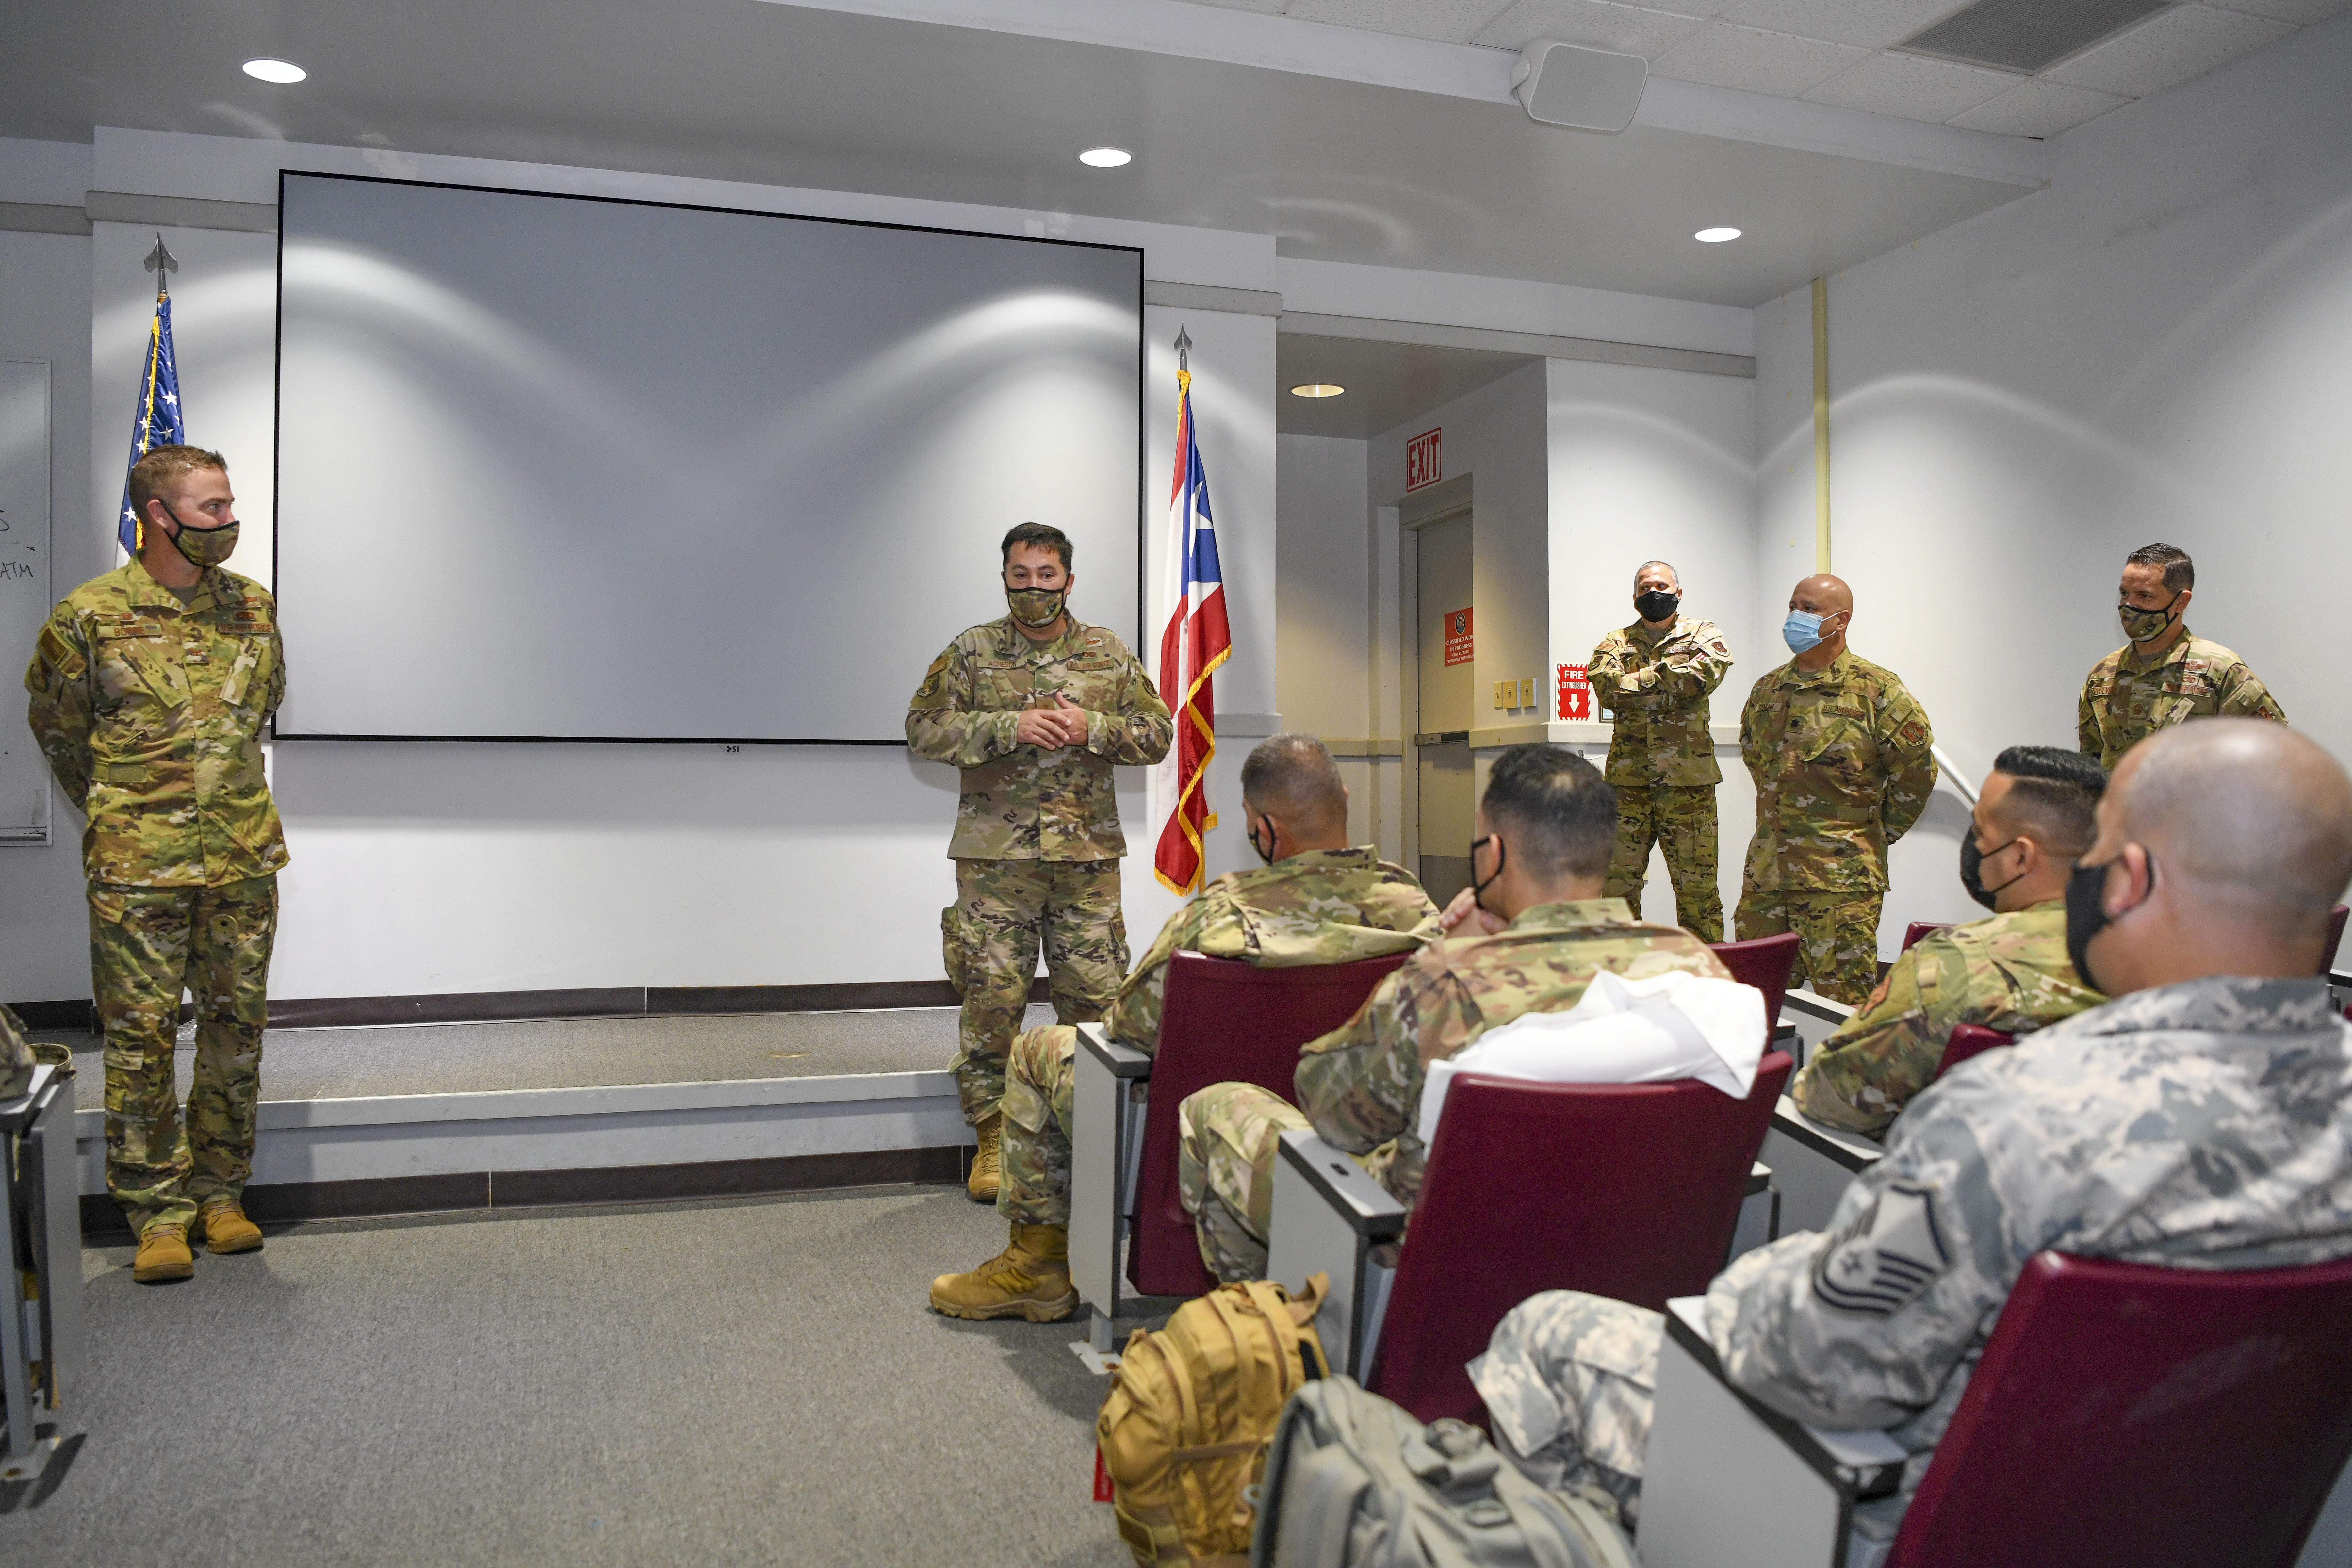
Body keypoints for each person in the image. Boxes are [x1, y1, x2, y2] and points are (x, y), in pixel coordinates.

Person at [1471, 718, 2352, 1535]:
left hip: (1894, 1512)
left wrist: (1746, 1280)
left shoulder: (2015, 1115)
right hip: (2190, 1521)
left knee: (1544, 1329)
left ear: (2124, 883)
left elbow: (1812, 1366)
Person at [927, 734, 1441, 1322]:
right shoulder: (1416, 907)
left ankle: (1037, 1267)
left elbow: (1129, 1029)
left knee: (1038, 1048)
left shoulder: (1219, 918)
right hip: (1354, 1137)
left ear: (1263, 829)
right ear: (1343, 799)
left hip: (1192, 1140)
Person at [1174, 745, 1731, 1282]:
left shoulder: (1448, 983)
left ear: (1494, 854)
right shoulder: (1697, 967)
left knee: (1220, 1106)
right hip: (1624, 1248)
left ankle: (1281, 1333)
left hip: (1419, 1255)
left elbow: (1330, 1110)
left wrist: (1439, 957)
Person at [23, 445, 287, 1284]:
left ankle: (221, 1195)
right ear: (158, 515)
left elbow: (262, 707)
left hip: (241, 856)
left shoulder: (252, 608)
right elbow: (60, 731)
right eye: (211, 508)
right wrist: (125, 811)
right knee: (139, 1041)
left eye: (229, 503)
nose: (229, 521)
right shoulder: (90, 615)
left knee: (234, 1035)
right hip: (140, 868)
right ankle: (157, 1213)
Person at [906, 523, 1174, 1203]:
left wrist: (1096, 729)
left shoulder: (1106, 652)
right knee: (994, 997)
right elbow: (923, 728)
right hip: (996, 862)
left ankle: (1088, 1129)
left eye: (1046, 577)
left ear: (1069, 581)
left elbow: (1158, 734)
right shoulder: (973, 651)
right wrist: (1008, 727)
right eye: (1020, 576)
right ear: (1005, 579)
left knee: (1094, 999)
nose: (1034, 589)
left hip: (1085, 860)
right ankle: (993, 1131)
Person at [1791, 746, 2108, 1136]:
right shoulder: (2166, 956)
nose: (1972, 846)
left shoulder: (1963, 964)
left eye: (1980, 831)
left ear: (2021, 859)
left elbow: (1834, 1098)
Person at [1736, 574, 1936, 1006]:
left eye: (1808, 608)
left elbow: (1917, 772)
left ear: (1840, 620)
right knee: (1753, 1002)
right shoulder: (1767, 691)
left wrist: (1874, 834)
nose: (1795, 617)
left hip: (1840, 883)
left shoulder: (1877, 691)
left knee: (1842, 1007)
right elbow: (1758, 763)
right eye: (1793, 605)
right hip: (1768, 878)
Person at [1588, 561, 1733, 942]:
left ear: (1678, 593)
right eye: (1645, 586)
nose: (1654, 592)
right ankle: (1621, 972)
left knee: (1698, 892)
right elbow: (1606, 690)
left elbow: (1701, 679)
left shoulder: (1704, 633)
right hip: (1628, 788)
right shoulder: (1615, 641)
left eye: (1662, 585)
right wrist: (1668, 678)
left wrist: (1635, 684)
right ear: (1635, 596)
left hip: (1689, 788)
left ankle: (1708, 978)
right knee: (1616, 889)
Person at [2079, 542, 2285, 771]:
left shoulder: (2220, 671)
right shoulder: (2103, 675)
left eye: (2145, 596)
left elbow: (2275, 751)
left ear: (2181, 602)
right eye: (2125, 594)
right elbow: (2091, 764)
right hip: (2122, 806)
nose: (2129, 605)